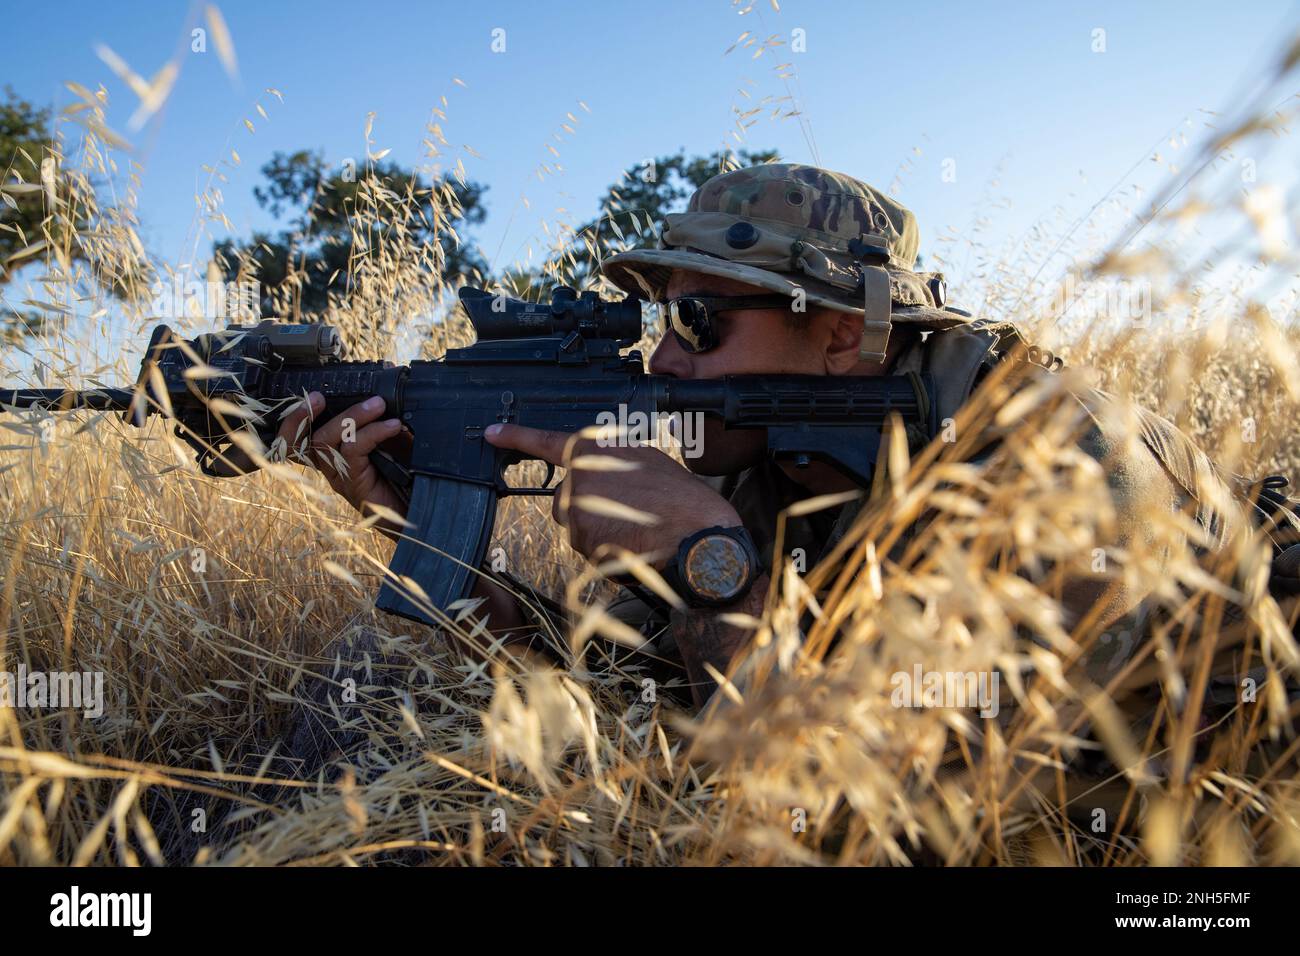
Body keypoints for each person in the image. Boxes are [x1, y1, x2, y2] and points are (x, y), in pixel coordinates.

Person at [276, 163, 1299, 716]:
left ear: (842, 335)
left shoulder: (1054, 462)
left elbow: (869, 813)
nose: (662, 363)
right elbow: (625, 701)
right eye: (656, 322)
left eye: (698, 322)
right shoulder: (768, 454)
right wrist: (433, 538)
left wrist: (712, 564)